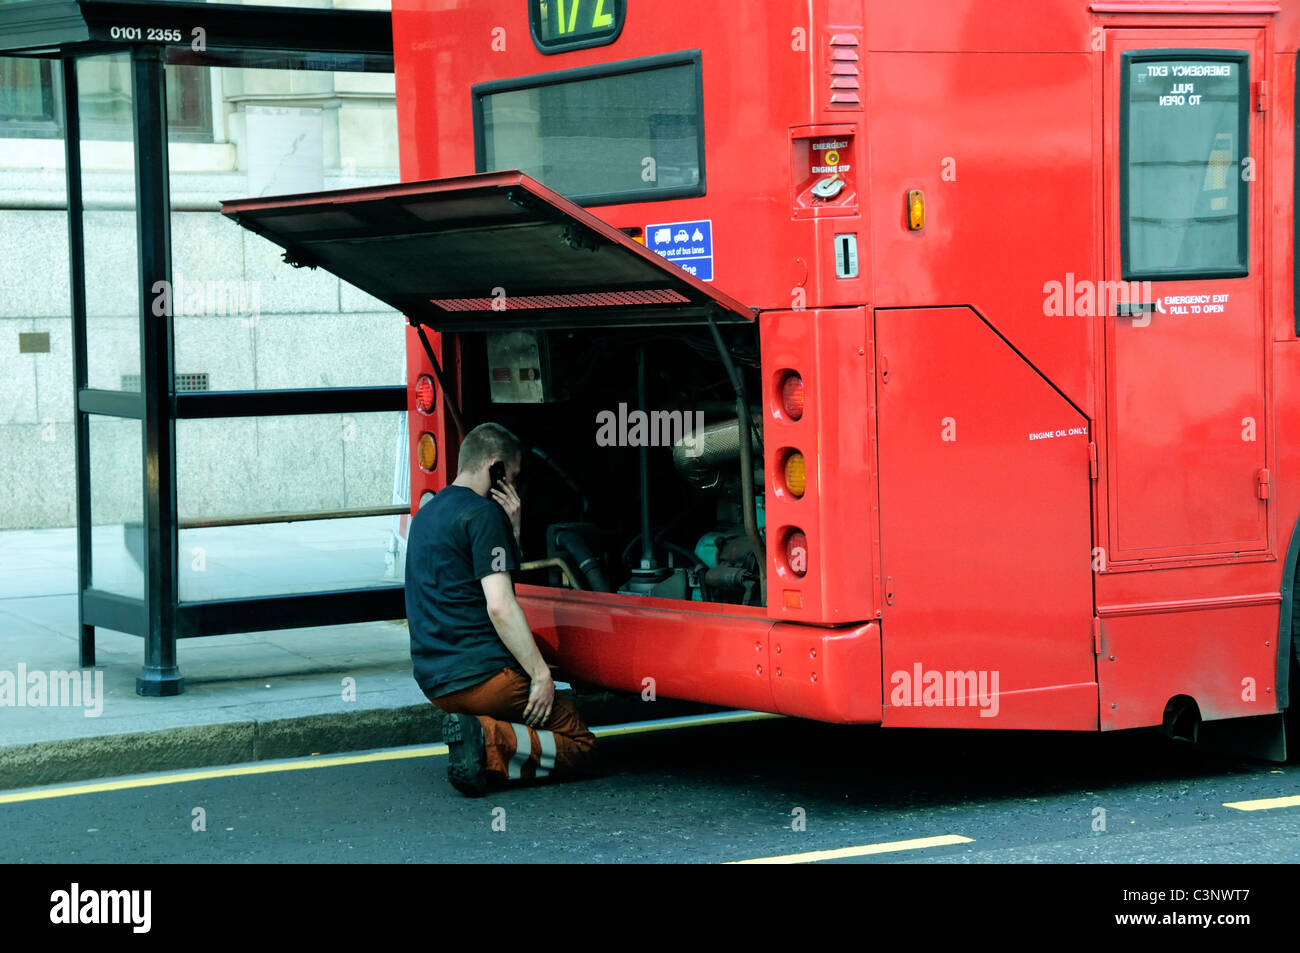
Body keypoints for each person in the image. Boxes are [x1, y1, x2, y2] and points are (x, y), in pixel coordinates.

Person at [405, 422, 596, 796]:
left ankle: (482, 739)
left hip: (435, 682)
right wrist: (540, 675)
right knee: (580, 741)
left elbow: (479, 575)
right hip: (485, 679)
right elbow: (500, 605)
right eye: (513, 473)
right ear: (495, 469)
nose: (514, 482)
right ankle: (488, 738)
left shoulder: (426, 515)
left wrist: (513, 530)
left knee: (534, 724)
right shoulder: (482, 514)